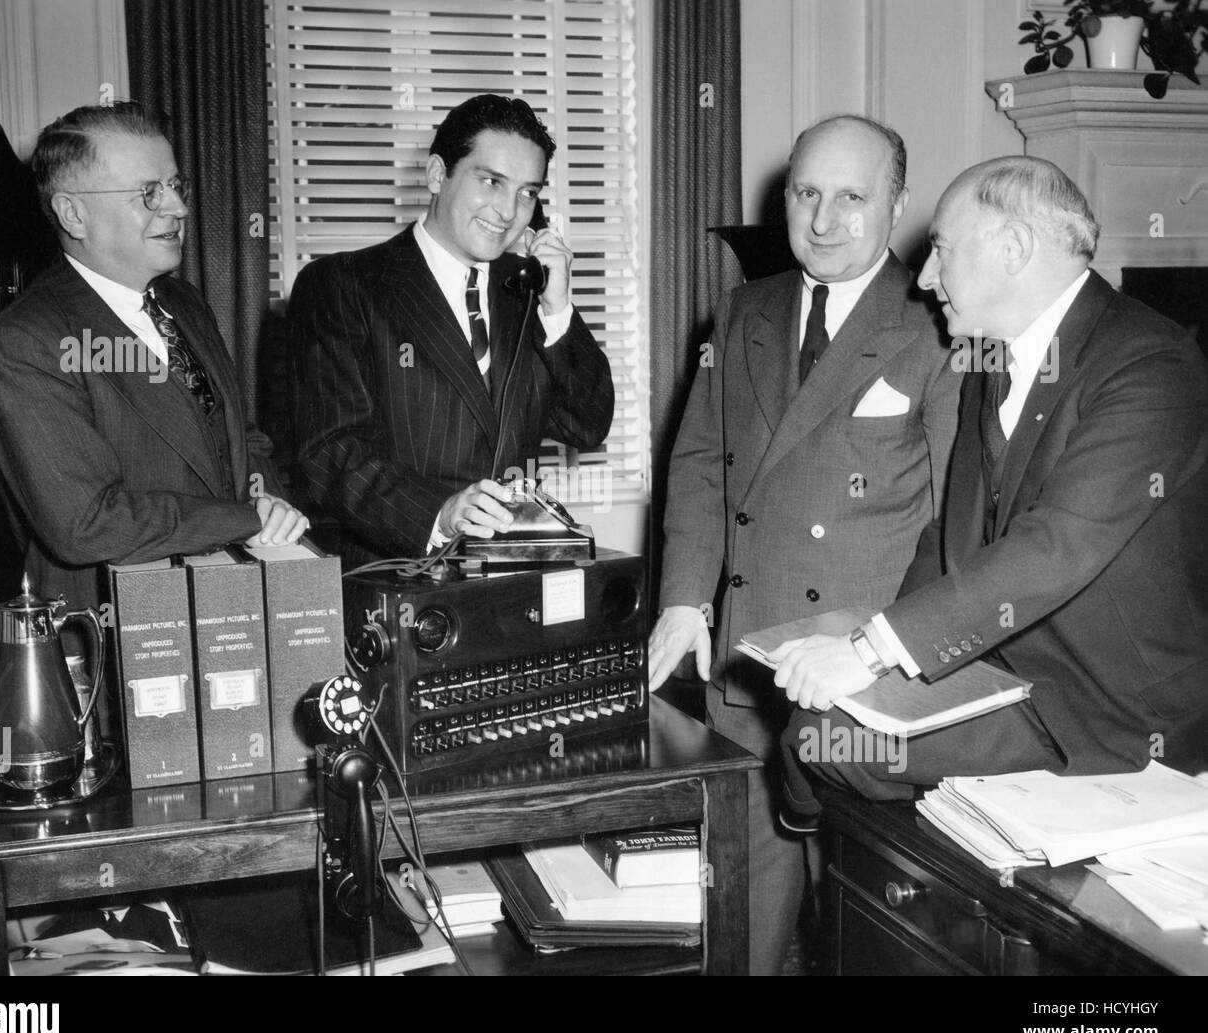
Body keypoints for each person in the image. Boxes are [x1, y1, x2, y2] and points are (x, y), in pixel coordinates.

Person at [773, 156, 1208, 814]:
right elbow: (951, 533)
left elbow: (1058, 545)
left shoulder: (1151, 362)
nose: (923, 278)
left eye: (940, 250)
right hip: (1005, 674)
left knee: (826, 742)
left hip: (1109, 709)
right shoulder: (989, 353)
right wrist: (877, 648)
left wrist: (871, 652)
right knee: (818, 732)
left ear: (1013, 248)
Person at [650, 115, 961, 974]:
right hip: (747, 674)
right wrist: (683, 598)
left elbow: (954, 516)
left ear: (897, 204)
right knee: (742, 925)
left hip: (864, 687)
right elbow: (702, 465)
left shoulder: (940, 322)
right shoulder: (747, 307)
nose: (824, 220)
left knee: (866, 927)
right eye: (806, 193)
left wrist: (887, 650)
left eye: (852, 197)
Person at [0, 102, 307, 616]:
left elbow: (241, 437)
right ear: (73, 213)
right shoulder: (28, 342)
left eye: (177, 186)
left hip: (230, 602)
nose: (176, 208)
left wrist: (276, 507)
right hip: (116, 627)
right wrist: (245, 519)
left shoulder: (184, 304)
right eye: (148, 193)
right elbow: (86, 524)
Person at [287, 94, 613, 562]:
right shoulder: (344, 285)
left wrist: (557, 306)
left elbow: (588, 425)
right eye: (491, 182)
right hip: (398, 576)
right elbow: (330, 451)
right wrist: (439, 513)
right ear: (438, 174)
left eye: (528, 192)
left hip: (510, 578)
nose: (508, 211)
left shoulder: (526, 293)